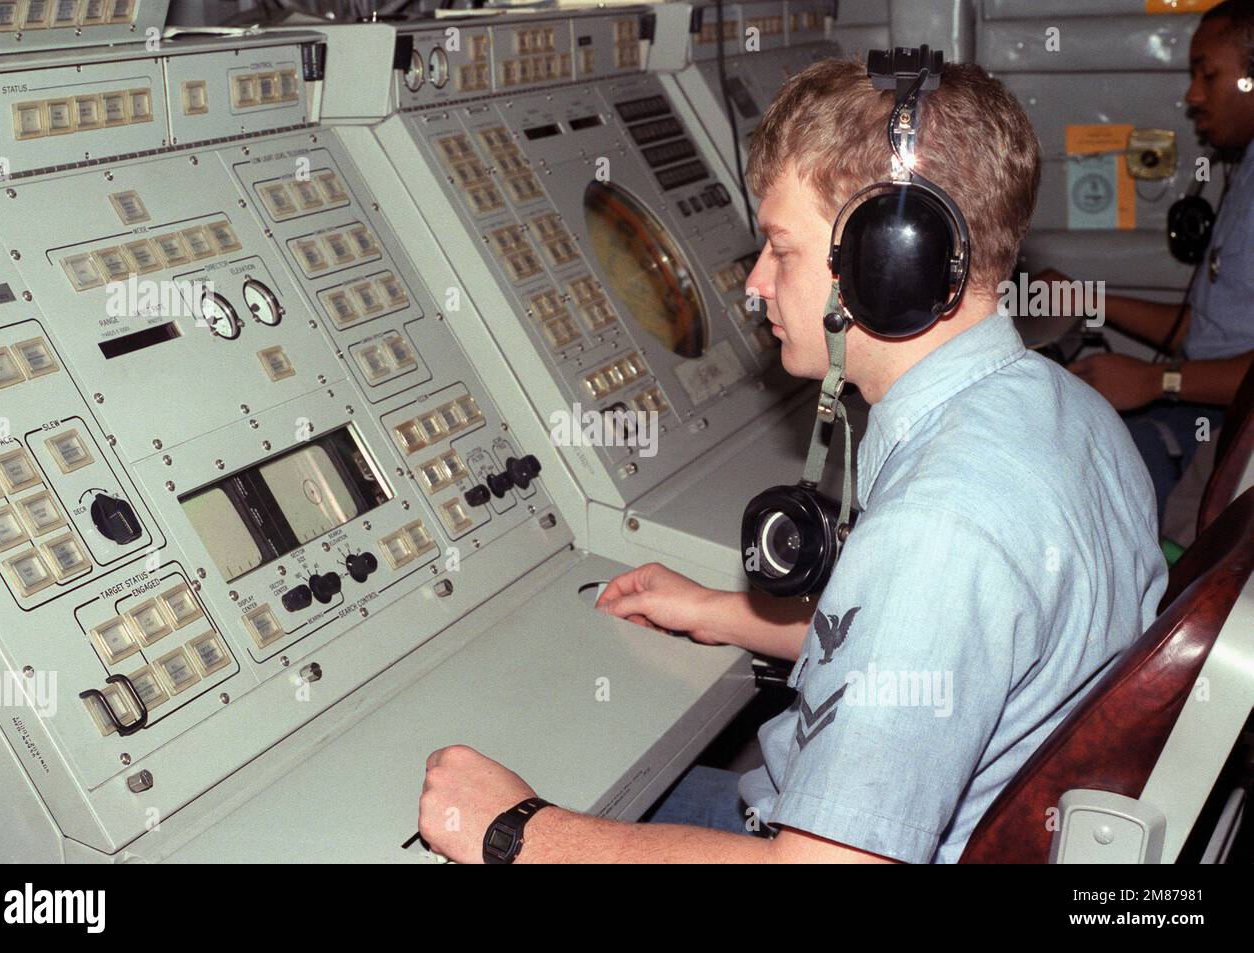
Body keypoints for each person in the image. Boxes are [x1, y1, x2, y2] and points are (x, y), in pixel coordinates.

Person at [416, 55, 1168, 864]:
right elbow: (957, 659)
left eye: (781, 248)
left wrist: (514, 830)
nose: (756, 284)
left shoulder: (937, 531)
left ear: (889, 263)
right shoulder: (1073, 411)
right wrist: (725, 613)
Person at [1055, 0, 1254, 525]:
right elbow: (1205, 330)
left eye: (1207, 75)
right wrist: (1085, 300)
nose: (1192, 96)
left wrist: (1160, 382)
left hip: (1232, 439)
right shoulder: (1243, 170)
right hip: (1202, 413)